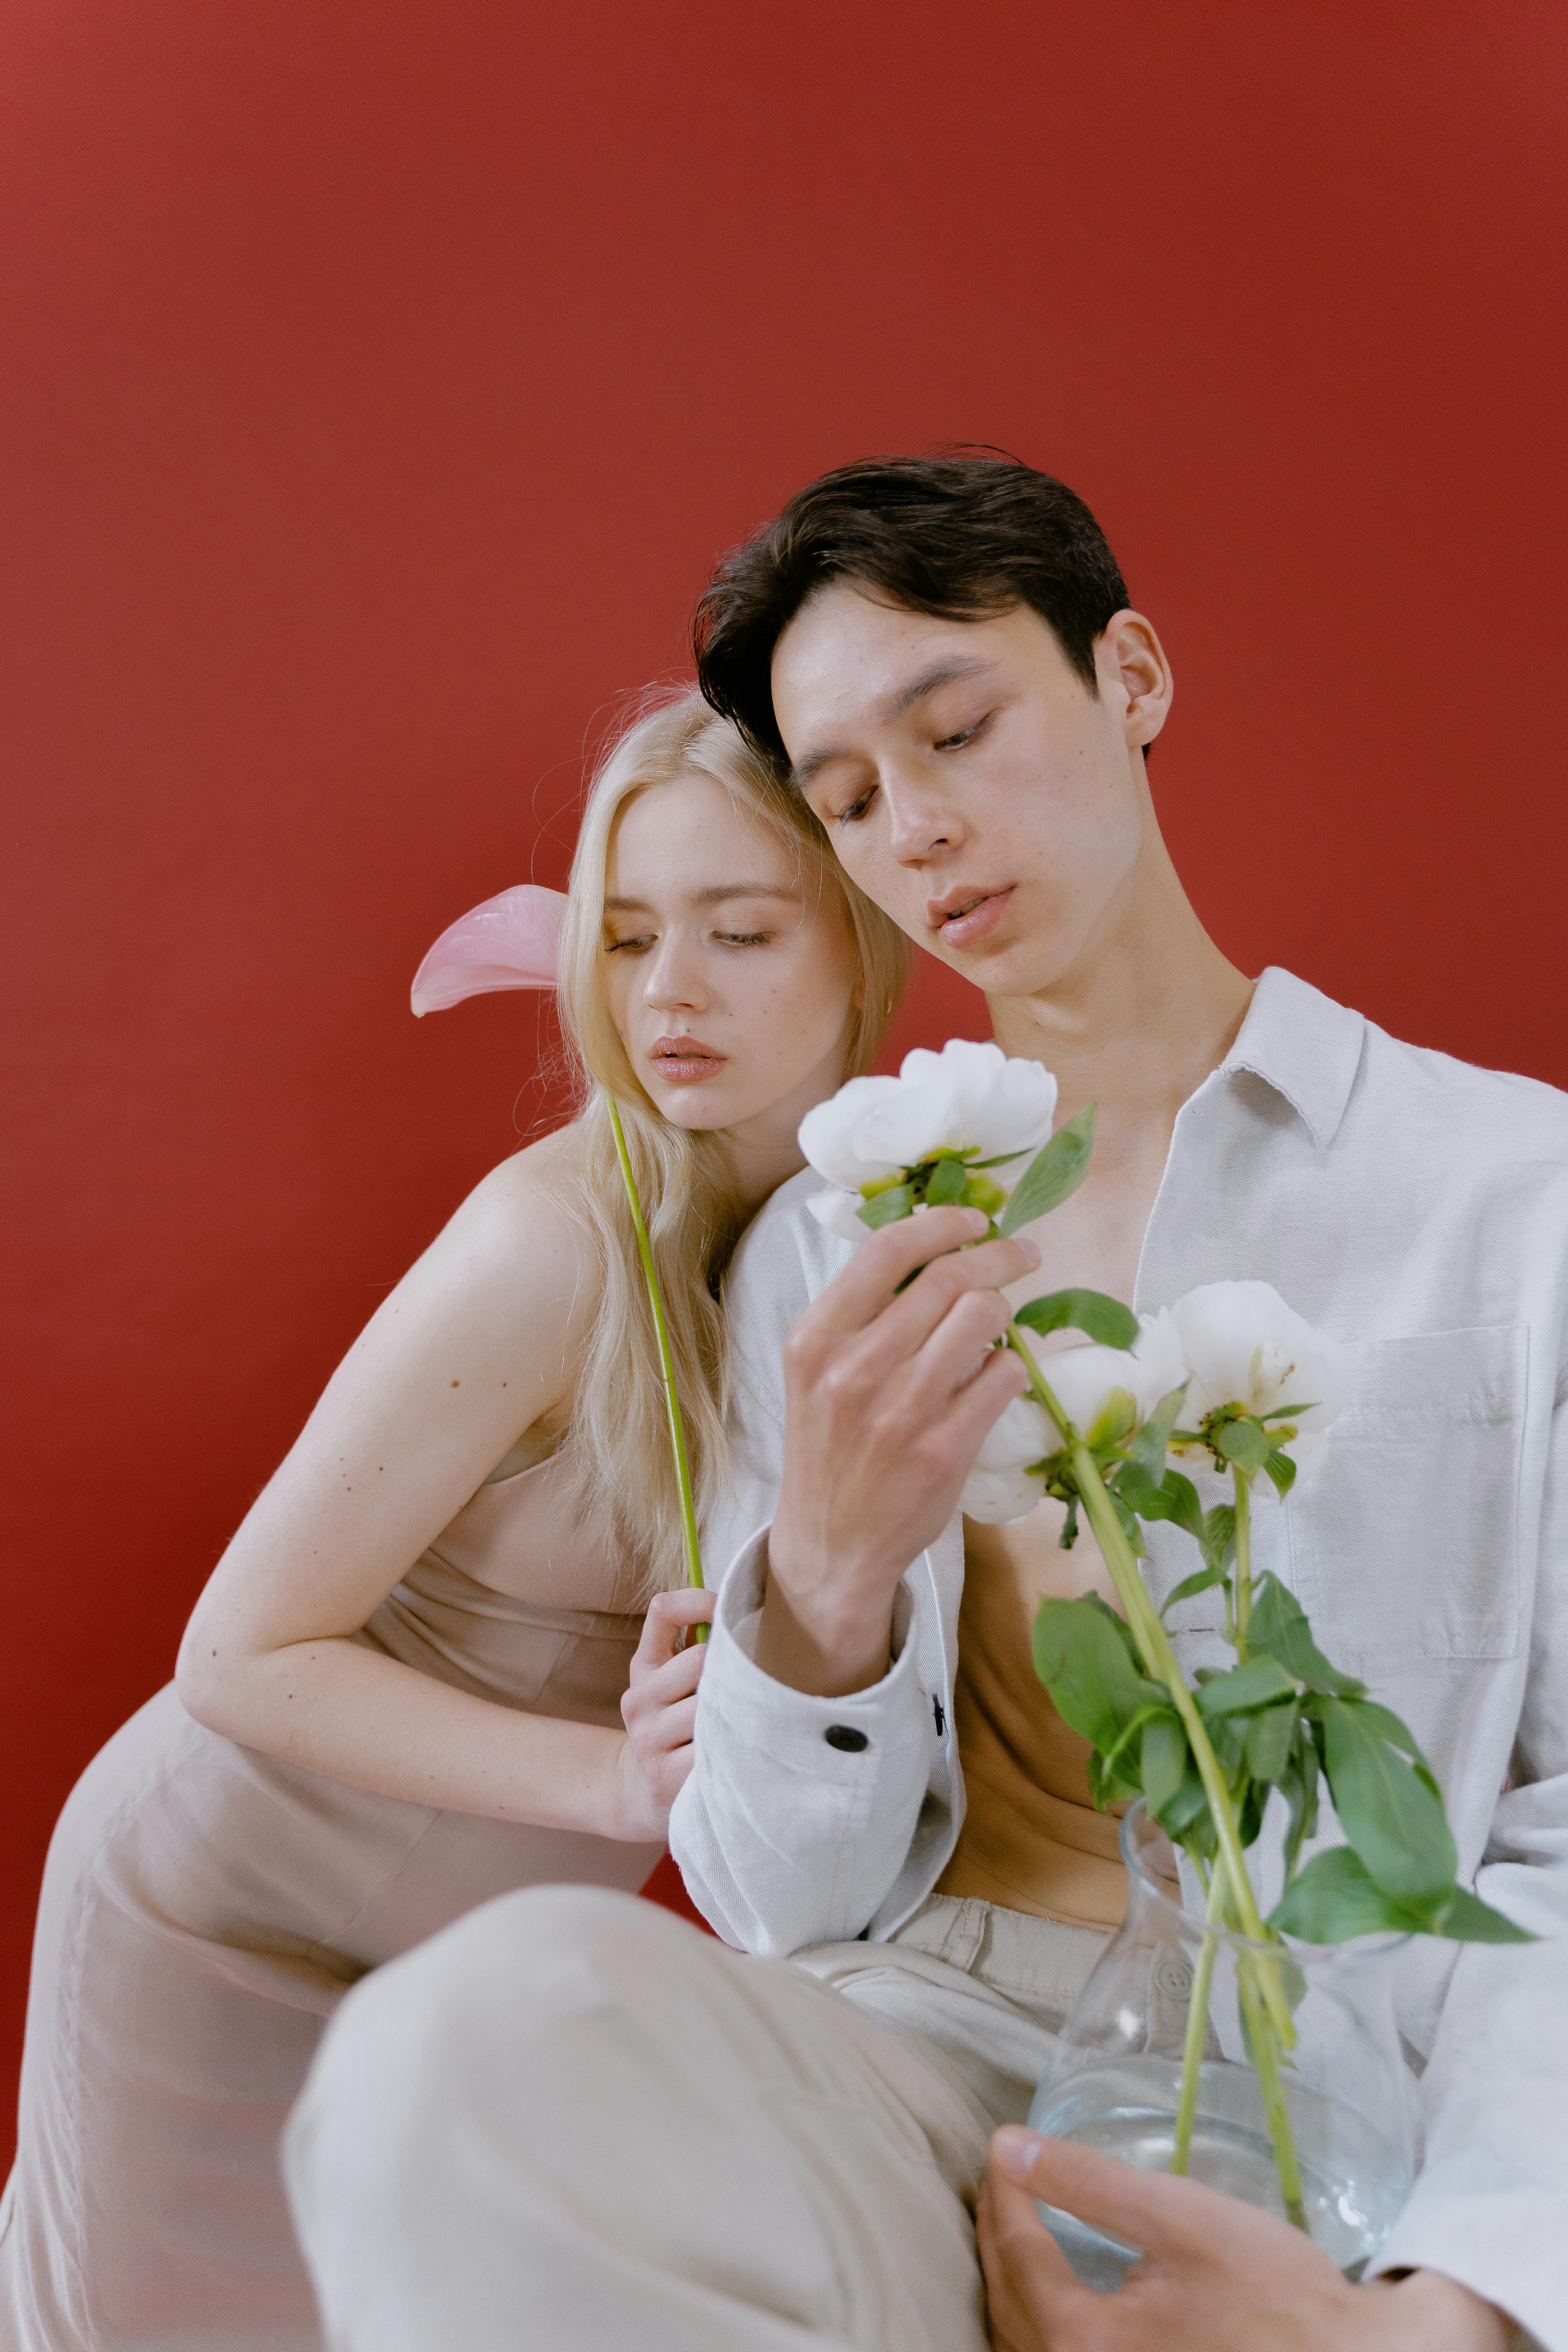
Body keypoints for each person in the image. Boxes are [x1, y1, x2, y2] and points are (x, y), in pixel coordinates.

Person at [281, 457, 1566, 2351]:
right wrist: (821, 1578)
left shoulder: (1510, 1195)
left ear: (1126, 677)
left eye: (958, 730)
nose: (923, 831)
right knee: (458, 2039)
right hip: (918, 2049)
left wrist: (1450, 2314)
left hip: (1348, 2094)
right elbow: (768, 1894)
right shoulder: (830, 1245)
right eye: (854, 798)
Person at [0, 685, 910, 2352]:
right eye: (628, 937)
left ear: (862, 940)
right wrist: (604, 1780)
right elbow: (239, 1654)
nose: (670, 994)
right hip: (225, 1927)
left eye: (740, 931)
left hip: (452, 1972)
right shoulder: (548, 1249)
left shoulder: (855, 1224)